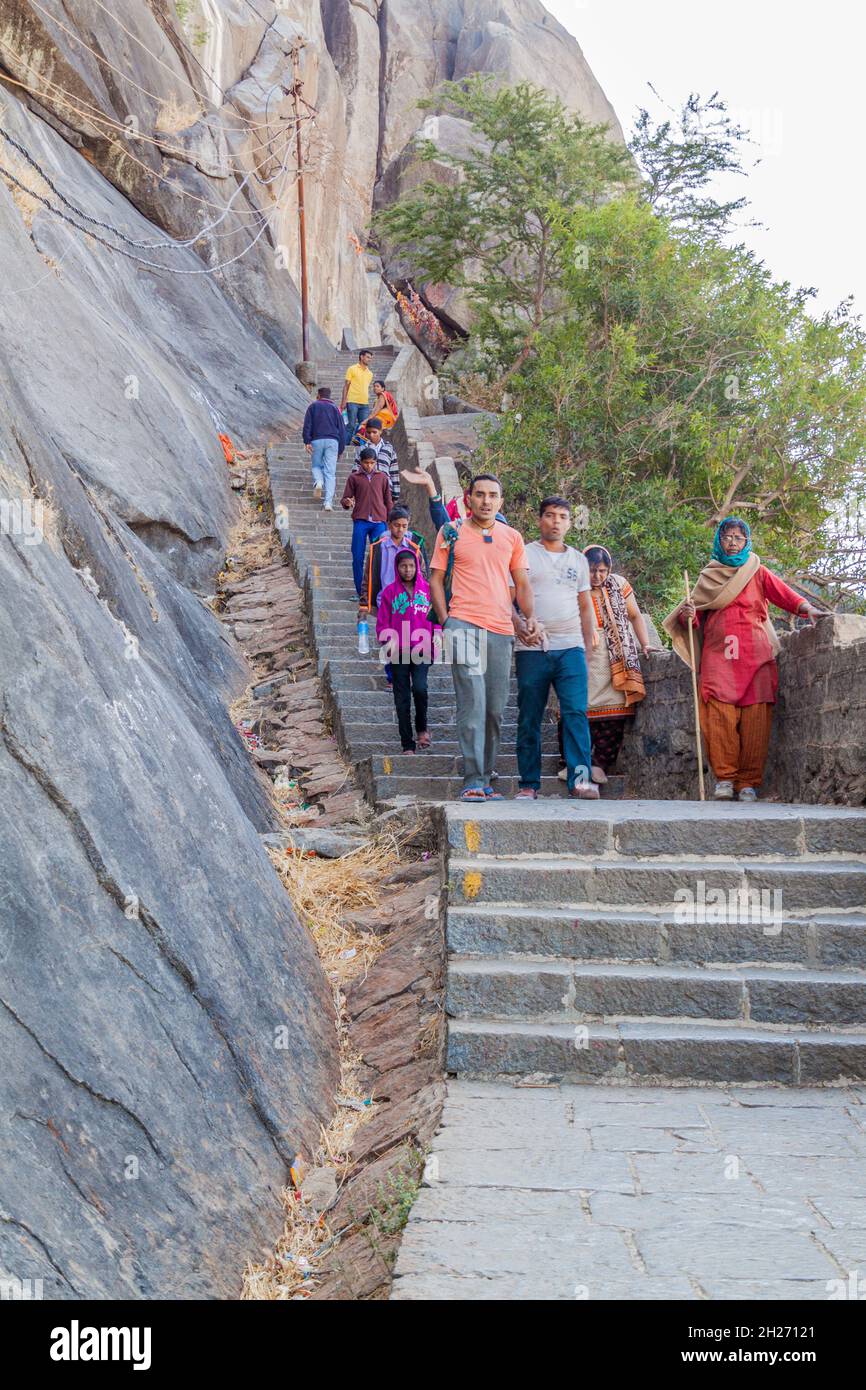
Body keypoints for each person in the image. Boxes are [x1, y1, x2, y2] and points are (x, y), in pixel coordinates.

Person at [663, 517, 820, 801]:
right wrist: (688, 615)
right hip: (718, 656)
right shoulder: (707, 577)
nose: (733, 542)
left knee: (755, 716)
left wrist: (806, 607)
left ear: (747, 542)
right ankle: (724, 778)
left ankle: (748, 781)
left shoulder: (756, 571)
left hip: (755, 655)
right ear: (718, 541)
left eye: (739, 537)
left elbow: (783, 594)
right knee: (718, 714)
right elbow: (695, 618)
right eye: (727, 537)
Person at [429, 474, 538, 802]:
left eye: (493, 495)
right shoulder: (451, 531)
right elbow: (435, 579)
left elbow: (522, 584)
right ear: (468, 498)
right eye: (480, 495)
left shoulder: (512, 537)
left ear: (500, 502)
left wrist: (529, 619)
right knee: (472, 703)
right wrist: (448, 621)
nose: (486, 501)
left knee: (494, 709)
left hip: (501, 630)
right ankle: (473, 778)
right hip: (463, 624)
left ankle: (486, 776)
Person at [513, 498, 599, 800]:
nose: (556, 522)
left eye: (562, 517)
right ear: (540, 520)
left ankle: (580, 780)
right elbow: (510, 596)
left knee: (576, 712)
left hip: (571, 646)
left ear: (569, 523)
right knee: (530, 715)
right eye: (550, 516)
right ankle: (528, 784)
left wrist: (588, 647)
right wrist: (518, 625)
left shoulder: (578, 559)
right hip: (531, 647)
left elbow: (586, 606)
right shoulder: (524, 553)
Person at [582, 545, 652, 784]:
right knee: (579, 706)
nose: (597, 576)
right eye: (592, 571)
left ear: (609, 569)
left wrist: (645, 644)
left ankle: (600, 763)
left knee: (615, 709)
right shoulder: (575, 588)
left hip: (616, 654)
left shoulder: (619, 585)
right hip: (585, 652)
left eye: (602, 571)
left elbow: (634, 615)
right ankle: (575, 763)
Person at [376, 548, 440, 754]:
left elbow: (438, 615)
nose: (408, 570)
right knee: (401, 696)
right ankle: (407, 743)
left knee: (420, 688)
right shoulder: (389, 593)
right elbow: (382, 623)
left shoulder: (428, 590)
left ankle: (422, 729)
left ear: (417, 566)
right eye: (403, 566)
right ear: (397, 567)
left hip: (423, 648)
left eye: (411, 565)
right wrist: (387, 640)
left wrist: (438, 633)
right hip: (398, 651)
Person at [340, 449, 393, 597]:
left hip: (379, 522)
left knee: (380, 557)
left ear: (376, 462)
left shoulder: (382, 477)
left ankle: (378, 592)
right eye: (366, 462)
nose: (369, 466)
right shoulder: (354, 478)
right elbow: (345, 499)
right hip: (361, 521)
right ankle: (360, 592)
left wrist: (390, 521)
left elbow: (388, 501)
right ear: (360, 462)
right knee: (357, 557)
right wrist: (347, 502)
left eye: (372, 462)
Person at [359, 506, 427, 617]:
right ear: (389, 524)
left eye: (404, 526)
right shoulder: (377, 548)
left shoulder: (414, 548)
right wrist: (364, 604)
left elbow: (422, 574)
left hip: (408, 603)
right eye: (397, 525)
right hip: (384, 603)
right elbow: (368, 576)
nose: (400, 530)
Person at [302, 386, 347, 511]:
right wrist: (341, 449)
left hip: (316, 440)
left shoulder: (312, 407)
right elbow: (342, 430)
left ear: (318, 396)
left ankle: (319, 482)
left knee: (316, 465)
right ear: (330, 396)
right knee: (330, 473)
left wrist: (307, 441)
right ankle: (328, 503)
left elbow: (307, 425)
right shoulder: (335, 409)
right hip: (333, 441)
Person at [353, 418, 400, 500]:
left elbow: (394, 471)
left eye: (374, 432)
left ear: (380, 431)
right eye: (368, 432)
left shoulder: (389, 448)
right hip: (366, 489)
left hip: (385, 490)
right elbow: (356, 470)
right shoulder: (361, 449)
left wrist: (395, 494)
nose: (371, 435)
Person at [340, 348, 374, 441]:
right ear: (361, 357)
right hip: (352, 401)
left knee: (363, 425)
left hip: (365, 403)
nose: (369, 359)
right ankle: (345, 445)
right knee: (350, 425)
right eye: (367, 357)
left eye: (370, 358)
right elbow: (346, 386)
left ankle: (359, 444)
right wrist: (343, 401)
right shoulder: (352, 369)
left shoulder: (370, 373)